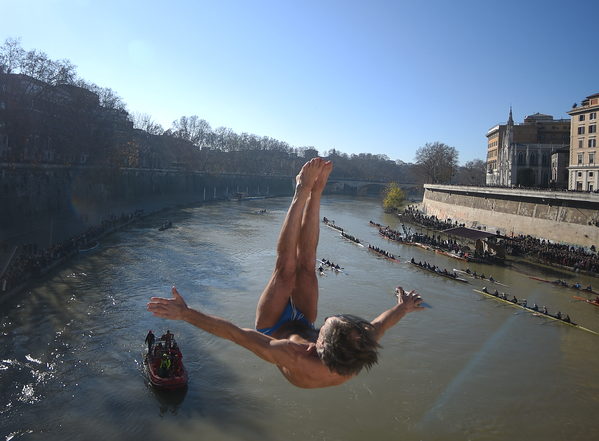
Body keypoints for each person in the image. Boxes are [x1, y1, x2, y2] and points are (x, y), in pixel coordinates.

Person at [147, 158, 424, 389]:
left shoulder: (293, 355)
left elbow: (235, 334)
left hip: (273, 326)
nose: (326, 318)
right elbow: (381, 325)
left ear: (317, 344)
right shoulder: (357, 345)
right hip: (302, 319)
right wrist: (403, 307)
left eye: (325, 325)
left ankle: (300, 192)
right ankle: (317, 194)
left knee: (285, 270)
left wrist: (186, 314)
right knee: (307, 267)